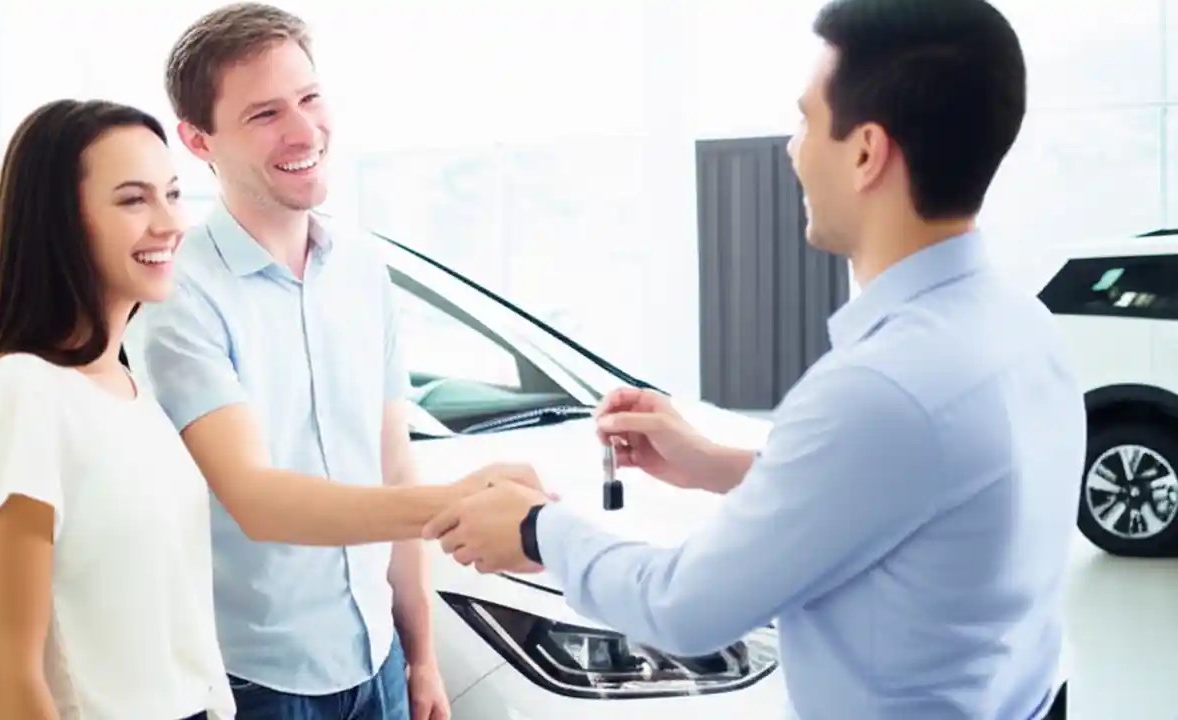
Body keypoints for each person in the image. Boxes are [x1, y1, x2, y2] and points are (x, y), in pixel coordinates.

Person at [422, 1, 1083, 718]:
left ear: (865, 152)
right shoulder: (1022, 326)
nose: (792, 149)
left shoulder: (879, 387)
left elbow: (683, 607)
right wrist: (710, 462)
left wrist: (534, 529)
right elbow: (903, 487)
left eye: (804, 120)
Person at [125, 4, 540, 719]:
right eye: (264, 115)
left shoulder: (362, 269)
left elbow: (392, 466)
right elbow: (256, 498)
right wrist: (462, 500)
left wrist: (421, 656)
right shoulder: (179, 295)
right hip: (257, 681)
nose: (303, 130)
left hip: (374, 657)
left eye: (309, 98)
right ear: (198, 140)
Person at [0, 99, 235, 719]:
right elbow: (8, 674)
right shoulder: (22, 391)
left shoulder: (128, 389)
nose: (170, 222)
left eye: (172, 193)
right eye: (133, 200)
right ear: (60, 224)